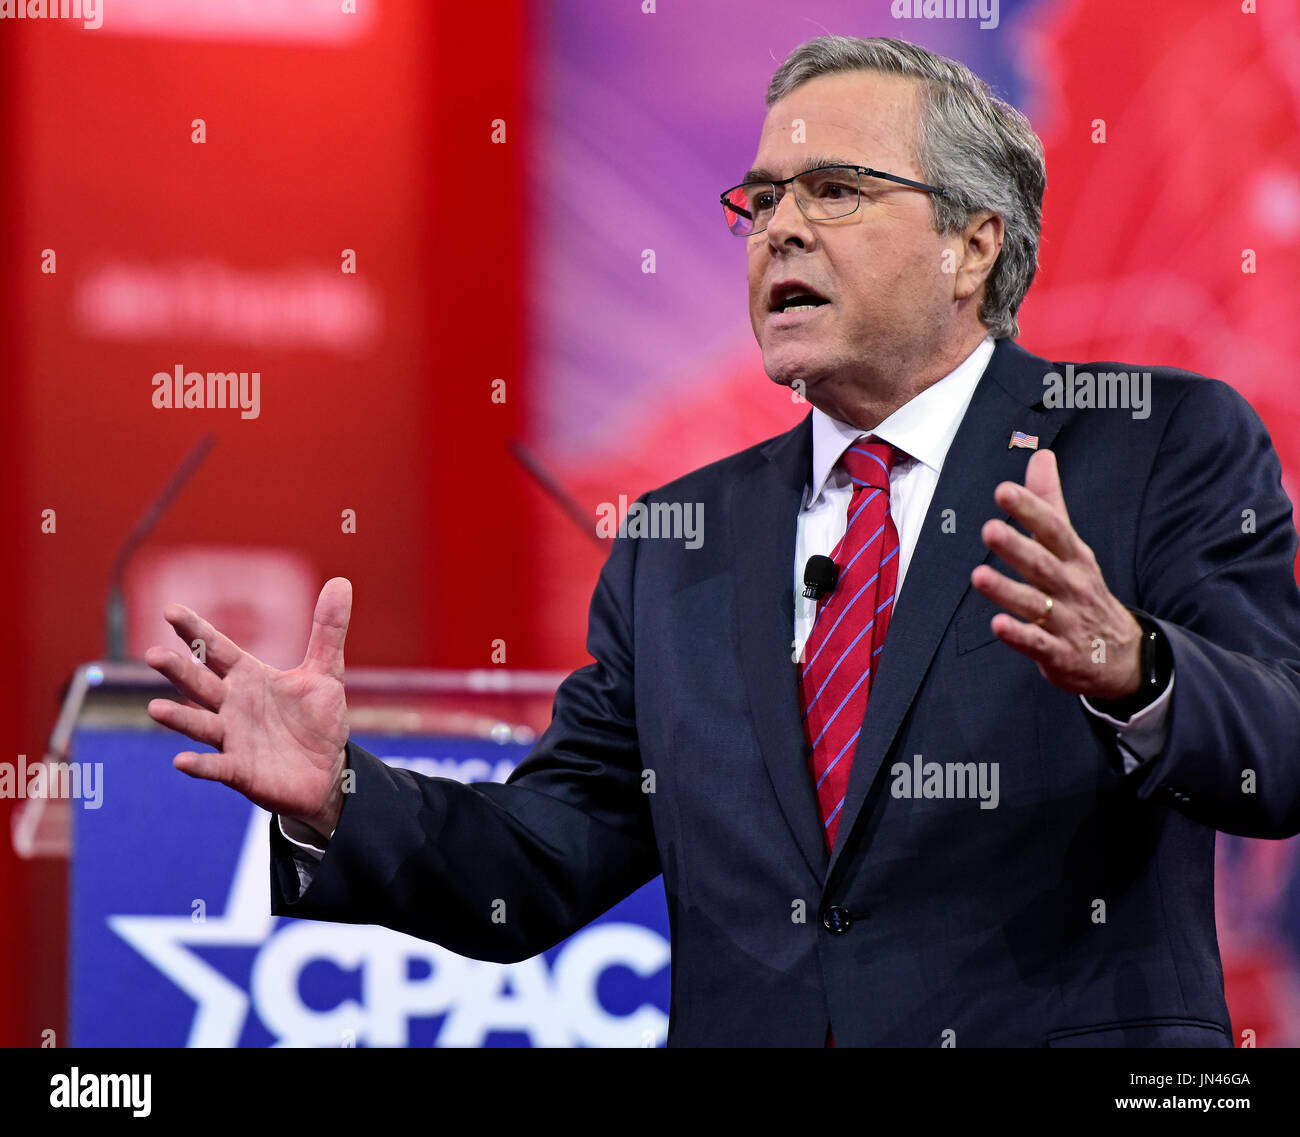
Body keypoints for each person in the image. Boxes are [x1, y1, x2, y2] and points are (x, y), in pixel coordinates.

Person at [145, 35, 1300, 1047]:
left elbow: (1281, 754)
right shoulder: (677, 538)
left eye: (836, 190)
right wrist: (337, 799)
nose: (781, 227)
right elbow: (539, 862)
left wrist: (1141, 669)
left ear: (973, 244)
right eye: (761, 200)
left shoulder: (1151, 446)